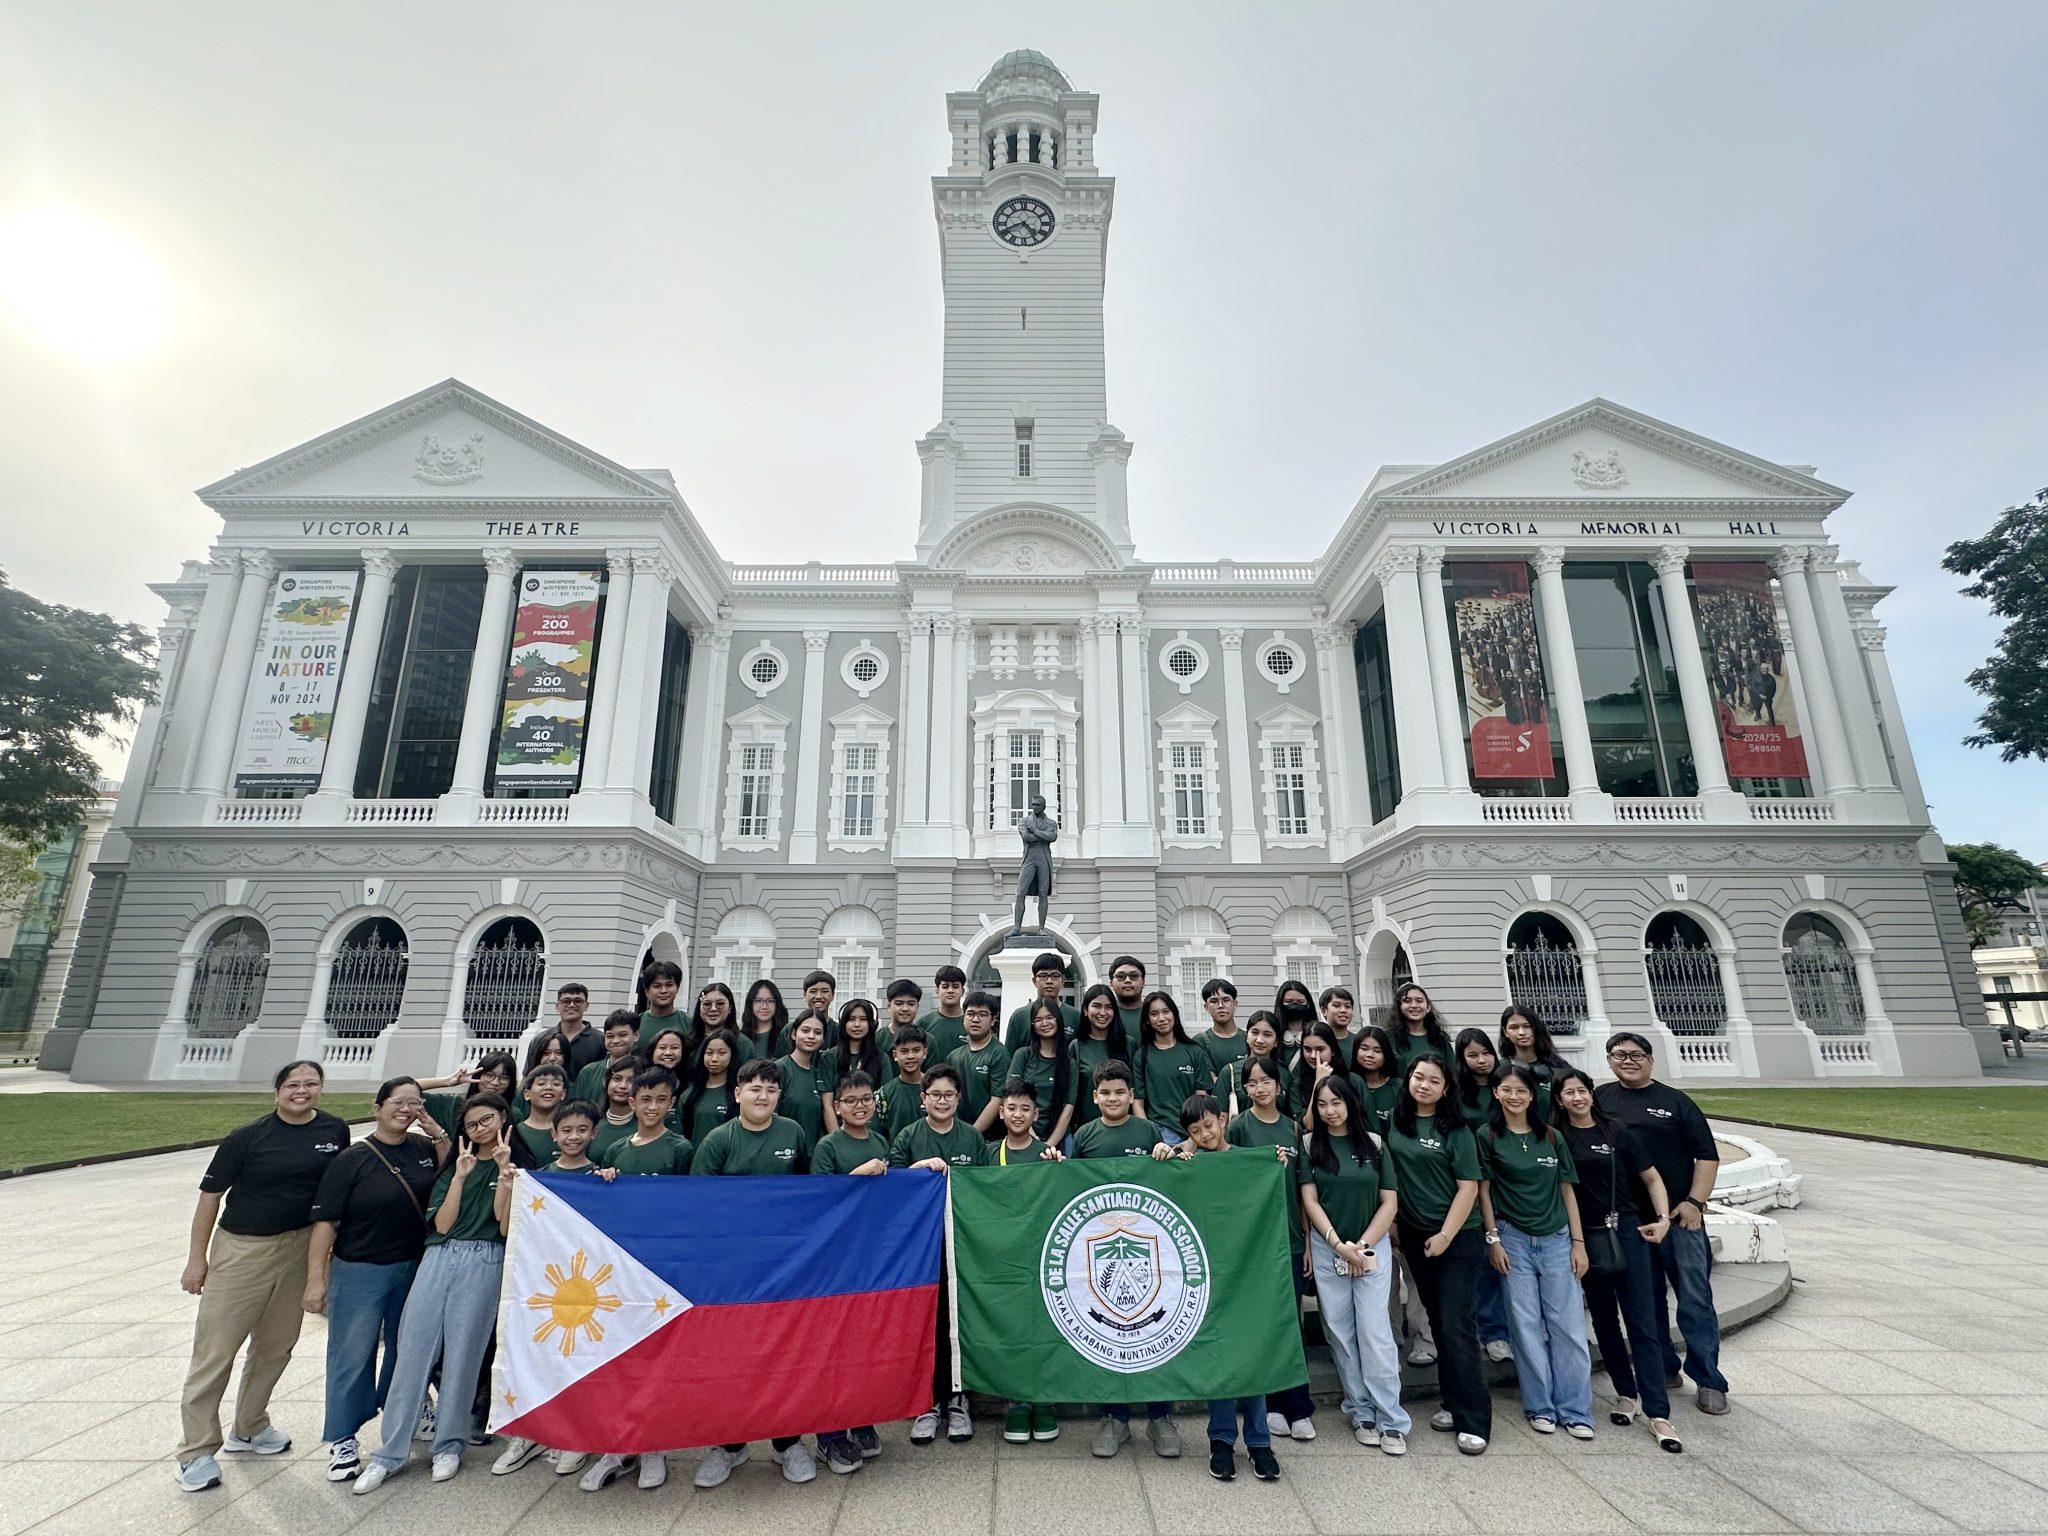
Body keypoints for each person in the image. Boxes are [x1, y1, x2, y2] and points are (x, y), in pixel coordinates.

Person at [174, 1061, 349, 1493]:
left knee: (275, 1346)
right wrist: (197, 1260)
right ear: (277, 1091)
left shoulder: (334, 1130)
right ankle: (196, 1450)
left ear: (321, 1089)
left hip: (301, 1247)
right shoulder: (247, 1137)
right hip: (243, 1249)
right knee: (216, 1351)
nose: (301, 1091)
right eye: (293, 1084)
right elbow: (210, 1198)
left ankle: (250, 1426)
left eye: (311, 1083)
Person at [351, 1093, 532, 1494]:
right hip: (439, 1256)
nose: (480, 1129)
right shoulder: (454, 1168)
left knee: (465, 1354)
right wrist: (461, 1176)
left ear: (503, 1118)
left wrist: (504, 1176)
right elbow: (444, 1225)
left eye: (486, 1120)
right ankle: (388, 1453)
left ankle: (449, 1444)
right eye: (471, 1125)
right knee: (413, 1352)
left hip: (486, 1259)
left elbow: (503, 1226)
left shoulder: (518, 1170)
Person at [306, 1077, 450, 1481]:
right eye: (398, 1102)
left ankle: (407, 1412)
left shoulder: (423, 1148)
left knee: (408, 1350)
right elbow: (325, 1222)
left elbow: (450, 1172)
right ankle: (343, 1437)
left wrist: (435, 1130)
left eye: (414, 1103)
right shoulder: (352, 1159)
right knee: (352, 1354)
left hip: (413, 1267)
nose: (406, 1110)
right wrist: (314, 1280)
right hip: (360, 1269)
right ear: (377, 1108)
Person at [689, 1059, 816, 1487]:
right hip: (733, 1269)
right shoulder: (717, 1140)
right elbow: (699, 1204)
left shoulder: (793, 1133)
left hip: (782, 1264)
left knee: (784, 1352)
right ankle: (729, 1444)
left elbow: (809, 1193)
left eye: (771, 1089)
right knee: (732, 1356)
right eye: (755, 1088)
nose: (763, 1096)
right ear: (737, 1093)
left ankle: (787, 1442)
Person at [1595, 1033, 1730, 1416]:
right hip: (1630, 1220)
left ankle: (1709, 1379)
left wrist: (1695, 1203)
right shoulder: (1602, 1099)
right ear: (1609, 1060)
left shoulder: (1675, 1102)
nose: (1628, 1061)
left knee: (1694, 1297)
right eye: (1619, 1055)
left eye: (1636, 1054)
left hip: (1678, 1217)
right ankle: (1664, 1367)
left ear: (1650, 1060)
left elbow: (1707, 1156)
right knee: (1646, 1299)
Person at [574, 1069, 693, 1492]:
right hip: (623, 1269)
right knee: (622, 1353)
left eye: (661, 1100)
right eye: (645, 1099)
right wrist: (603, 1182)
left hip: (663, 1268)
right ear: (632, 1102)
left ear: (671, 1104)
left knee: (657, 1354)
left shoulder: (681, 1149)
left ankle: (654, 1445)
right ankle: (618, 1445)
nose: (652, 1107)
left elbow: (691, 1205)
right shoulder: (617, 1149)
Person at [1553, 1066, 1682, 1453]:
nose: (1577, 1098)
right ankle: (1626, 1393)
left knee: (1642, 1320)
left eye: (1582, 1090)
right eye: (1569, 1093)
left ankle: (1658, 1411)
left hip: (1626, 1229)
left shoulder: (1617, 1131)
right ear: (1559, 1099)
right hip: (1586, 1235)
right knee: (1604, 1320)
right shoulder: (1557, 1137)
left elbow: (1651, 1178)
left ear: (1591, 1093)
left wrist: (1663, 1219)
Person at [1168, 1094, 1282, 1483]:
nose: (1204, 1135)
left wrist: (1273, 1162)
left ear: (1222, 1119)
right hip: (1208, 1276)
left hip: (1248, 1273)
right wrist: (1168, 1155)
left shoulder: (1248, 1160)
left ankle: (1260, 1442)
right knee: (1217, 1357)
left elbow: (1269, 1186)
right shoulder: (1189, 1162)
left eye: (1208, 1125)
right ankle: (1220, 1440)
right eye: (1195, 1131)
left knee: (1253, 1356)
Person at [1297, 1073, 1409, 1457]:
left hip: (1371, 1249)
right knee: (1341, 1332)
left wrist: (1361, 1247)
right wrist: (1338, 1246)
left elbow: (1389, 1201)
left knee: (1375, 1331)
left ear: (1350, 1104)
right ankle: (1361, 1411)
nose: (1330, 1111)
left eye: (1336, 1102)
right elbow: (1310, 1201)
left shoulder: (1375, 1144)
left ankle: (1391, 1417)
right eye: (1322, 1104)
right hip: (1329, 1248)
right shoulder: (1309, 1145)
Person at [1479, 1063, 1594, 1439]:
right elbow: (1484, 1192)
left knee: (1568, 1326)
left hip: (1557, 1239)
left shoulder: (1551, 1137)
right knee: (1525, 1327)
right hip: (1512, 1238)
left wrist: (1578, 1243)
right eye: (1507, 1090)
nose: (1514, 1097)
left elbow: (1567, 1190)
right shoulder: (1488, 1136)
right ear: (1496, 1093)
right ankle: (1540, 1405)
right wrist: (1493, 1239)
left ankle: (1576, 1409)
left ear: (1532, 1096)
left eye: (1521, 1091)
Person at [1386, 1056, 1490, 1454]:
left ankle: (1474, 1418)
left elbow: (1469, 1187)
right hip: (1415, 1234)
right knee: (1439, 1320)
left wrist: (1446, 1235)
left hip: (1457, 1237)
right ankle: (1452, 1401)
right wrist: (1396, 1224)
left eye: (1433, 1080)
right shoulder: (1398, 1122)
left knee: (1456, 1324)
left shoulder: (1457, 1130)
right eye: (1418, 1077)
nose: (1424, 1085)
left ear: (1446, 1088)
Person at [1073, 1060, 1176, 1458]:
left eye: (1120, 1092)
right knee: (1109, 1336)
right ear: (1094, 1096)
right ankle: (1115, 1417)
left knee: (1154, 1332)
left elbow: (1167, 1176)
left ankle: (1159, 1416)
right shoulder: (1085, 1135)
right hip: (1099, 1249)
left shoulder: (1148, 1131)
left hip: (1147, 1246)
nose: (1113, 1098)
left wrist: (1167, 1153)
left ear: (1132, 1096)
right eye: (1105, 1093)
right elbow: (1071, 1186)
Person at [889, 1063, 991, 1447]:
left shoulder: (972, 1138)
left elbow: (987, 1189)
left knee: (959, 1321)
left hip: (962, 1245)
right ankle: (928, 1402)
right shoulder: (908, 1136)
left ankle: (959, 1401)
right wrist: (917, 1171)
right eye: (935, 1095)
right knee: (927, 1322)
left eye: (949, 1095)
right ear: (923, 1099)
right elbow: (891, 1187)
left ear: (959, 1099)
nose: (942, 1101)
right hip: (921, 1248)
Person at [1225, 1055, 1315, 1439]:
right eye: (1252, 1083)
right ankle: (1271, 1405)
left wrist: (1308, 1241)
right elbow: (1228, 1175)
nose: (1259, 1088)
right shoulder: (1239, 1128)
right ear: (1244, 1089)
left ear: (1279, 1086)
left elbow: (1303, 1190)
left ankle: (1300, 1408)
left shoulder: (1293, 1128)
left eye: (1266, 1081)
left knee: (1292, 1323)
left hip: (1290, 1239)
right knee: (1263, 1323)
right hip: (1256, 1244)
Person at [809, 1071, 890, 1473]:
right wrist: (859, 1174)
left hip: (869, 1259)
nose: (860, 1106)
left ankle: (861, 1418)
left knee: (865, 1343)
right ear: (837, 1107)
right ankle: (830, 1435)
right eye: (851, 1101)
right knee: (834, 1345)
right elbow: (821, 1202)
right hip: (835, 1263)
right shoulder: (828, 1146)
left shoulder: (880, 1142)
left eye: (867, 1099)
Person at [990, 1078, 1061, 1446]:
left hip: (1041, 1257)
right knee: (1013, 1329)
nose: (1018, 1115)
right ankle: (1017, 1401)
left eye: (1025, 1109)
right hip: (1003, 1258)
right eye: (1011, 1108)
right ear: (1001, 1112)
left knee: (1044, 1326)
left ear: (1036, 1114)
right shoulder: (989, 1153)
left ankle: (1044, 1399)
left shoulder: (1049, 1154)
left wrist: (1061, 1169)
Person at [1452, 1027, 1511, 1362]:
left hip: (1509, 1179)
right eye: (1472, 1055)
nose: (1481, 1060)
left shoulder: (1507, 1086)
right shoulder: (1459, 1094)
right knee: (1486, 1260)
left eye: (1486, 1053)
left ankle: (1513, 1328)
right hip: (1473, 1181)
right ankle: (1492, 1331)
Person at [1132, 990, 1215, 1145]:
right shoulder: (1141, 1056)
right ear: (1147, 1020)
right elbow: (1138, 1103)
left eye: (1166, 1012)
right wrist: (1150, 1136)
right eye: (1154, 1014)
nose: (1161, 1018)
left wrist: (1195, 1136)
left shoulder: (1194, 1051)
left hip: (1193, 1132)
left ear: (1174, 1015)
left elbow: (1201, 1098)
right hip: (1160, 1132)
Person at [1006, 997, 1076, 1146]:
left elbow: (1068, 1108)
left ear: (1058, 1020)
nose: (1044, 1023)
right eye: (1038, 1020)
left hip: (1060, 1138)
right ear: (1032, 1025)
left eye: (1049, 1017)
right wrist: (1034, 1140)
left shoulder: (1070, 1064)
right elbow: (1010, 1097)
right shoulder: (1022, 1056)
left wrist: (1049, 1145)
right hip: (1024, 1135)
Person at [1069, 983, 1131, 1131]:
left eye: (1108, 1007)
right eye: (1096, 1006)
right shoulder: (1076, 1047)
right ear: (1085, 1010)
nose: (1103, 1012)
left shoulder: (1128, 1044)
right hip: (1087, 1128)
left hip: (1125, 1127)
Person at [950, 990, 1011, 1134]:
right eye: (970, 1014)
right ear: (963, 1018)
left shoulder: (999, 1054)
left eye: (982, 1014)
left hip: (990, 1137)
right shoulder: (953, 1056)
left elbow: (997, 1099)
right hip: (956, 1133)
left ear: (993, 1020)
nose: (975, 1019)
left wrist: (972, 1134)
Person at [774, 1010, 838, 1144]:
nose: (811, 1036)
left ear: (823, 1039)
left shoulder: (819, 1074)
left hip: (812, 1151)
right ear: (793, 1034)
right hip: (783, 1149)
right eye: (805, 1031)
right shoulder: (779, 1069)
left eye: (818, 1032)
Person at [423, 1052, 516, 1135]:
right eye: (489, 1075)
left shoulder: (513, 1114)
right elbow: (414, 1091)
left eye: (504, 1078)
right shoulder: (453, 1105)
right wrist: (447, 1081)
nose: (495, 1082)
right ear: (478, 1076)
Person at [1496, 1005, 1567, 1115]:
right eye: (1514, 1027)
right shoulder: (1501, 1068)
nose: (1521, 1032)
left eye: (1527, 1026)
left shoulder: (1556, 1066)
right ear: (1506, 1032)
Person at [1219, 1011, 1289, 1118]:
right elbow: (1220, 1116)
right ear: (1247, 1036)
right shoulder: (1230, 1071)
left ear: (1276, 1041)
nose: (1260, 1040)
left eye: (1267, 1035)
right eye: (1255, 1033)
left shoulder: (1285, 1074)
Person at [1005, 951, 1079, 1052]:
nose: (1049, 981)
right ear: (1034, 981)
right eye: (1043, 976)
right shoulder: (1019, 1016)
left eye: (1055, 976)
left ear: (1063, 981)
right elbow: (1009, 1055)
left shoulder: (1075, 1016)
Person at [524, 982, 603, 1076]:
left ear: (586, 1006)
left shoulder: (600, 1040)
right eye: (566, 1001)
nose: (572, 1005)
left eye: (578, 1001)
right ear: (557, 1006)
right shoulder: (540, 1039)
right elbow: (528, 1077)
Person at [570, 1012, 643, 1106]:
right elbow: (575, 1106)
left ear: (636, 1035)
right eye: (610, 1036)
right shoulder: (588, 1072)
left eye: (623, 1035)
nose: (616, 1041)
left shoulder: (643, 1072)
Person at [681, 1029, 740, 1143]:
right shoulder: (688, 1095)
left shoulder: (739, 1095)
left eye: (721, 1053)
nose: (714, 1059)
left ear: (732, 1055)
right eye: (709, 1053)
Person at [1290, 1021, 1345, 1129]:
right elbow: (1309, 1125)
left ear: (1333, 1050)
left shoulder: (1354, 1081)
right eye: (1307, 1049)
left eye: (1320, 1049)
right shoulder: (1297, 1086)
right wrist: (1319, 1082)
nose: (1313, 1056)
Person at [878, 1025, 930, 1140]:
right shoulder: (884, 1094)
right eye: (904, 1051)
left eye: (916, 1050)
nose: (910, 1056)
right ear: (895, 1055)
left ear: (925, 1053)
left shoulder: (936, 1090)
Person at [1386, 983, 1454, 1070]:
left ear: (1428, 1007)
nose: (1414, 1005)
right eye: (1407, 1001)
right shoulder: (1388, 1038)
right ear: (1399, 1006)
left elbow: (1452, 1072)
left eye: (1419, 1001)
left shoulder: (1440, 1040)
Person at [590, 1056, 645, 1160]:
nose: (623, 1086)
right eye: (617, 1079)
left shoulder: (645, 1127)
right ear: (607, 1082)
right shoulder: (592, 1124)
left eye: (631, 1081)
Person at [1350, 1025, 1400, 1134]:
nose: (1370, 1055)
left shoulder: (1398, 1087)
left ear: (1386, 1054)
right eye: (1364, 1049)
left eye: (1377, 1051)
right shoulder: (1347, 1084)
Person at [515, 1063, 567, 1165]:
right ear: (527, 1094)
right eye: (541, 1083)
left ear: (563, 1094)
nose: (548, 1087)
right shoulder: (516, 1132)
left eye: (556, 1084)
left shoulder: (570, 1133)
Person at [911, 971, 966, 1064]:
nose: (950, 990)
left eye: (955, 986)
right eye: (945, 987)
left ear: (963, 991)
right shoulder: (924, 1023)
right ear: (937, 991)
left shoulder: (972, 1023)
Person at [832, 997, 888, 1090]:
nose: (857, 1024)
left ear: (871, 1024)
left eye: (863, 1019)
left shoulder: (881, 1058)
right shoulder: (830, 1056)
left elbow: (885, 1093)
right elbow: (827, 1095)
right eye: (851, 1019)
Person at [1198, 977, 1249, 1074]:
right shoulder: (1201, 1041)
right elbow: (1210, 1078)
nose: (1220, 1005)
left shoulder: (1248, 1038)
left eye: (1226, 1000)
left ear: (1235, 1004)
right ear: (1206, 1007)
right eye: (1214, 1001)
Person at [682, 981, 737, 1065]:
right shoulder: (686, 1043)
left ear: (730, 1008)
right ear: (699, 1007)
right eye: (707, 1004)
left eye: (720, 1004)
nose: (713, 1009)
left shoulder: (742, 1043)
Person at [739, 978, 791, 1063]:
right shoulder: (740, 1039)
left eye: (770, 1001)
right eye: (758, 1001)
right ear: (751, 1004)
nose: (764, 1006)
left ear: (777, 1004)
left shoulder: (787, 1037)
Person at [636, 960, 685, 1048]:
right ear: (647, 991)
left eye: (669, 985)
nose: (663, 991)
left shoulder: (689, 1023)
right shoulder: (636, 1024)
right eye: (657, 986)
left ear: (677, 988)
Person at [1107, 955, 1148, 1041]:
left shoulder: (1154, 1015)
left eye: (1134, 976)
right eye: (1120, 976)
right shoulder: (1104, 1016)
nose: (1127, 980)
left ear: (1143, 982)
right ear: (1111, 984)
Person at [1272, 979, 1317, 1055]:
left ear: (1308, 1004)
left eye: (1300, 1002)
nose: (1295, 1005)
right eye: (1289, 1001)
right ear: (1281, 1004)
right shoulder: (1271, 1034)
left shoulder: (1319, 1033)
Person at [1318, 985, 1357, 1052]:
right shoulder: (1316, 1041)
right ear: (1324, 1010)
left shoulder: (1359, 1042)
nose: (1343, 1010)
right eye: (1336, 1005)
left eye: (1347, 1006)